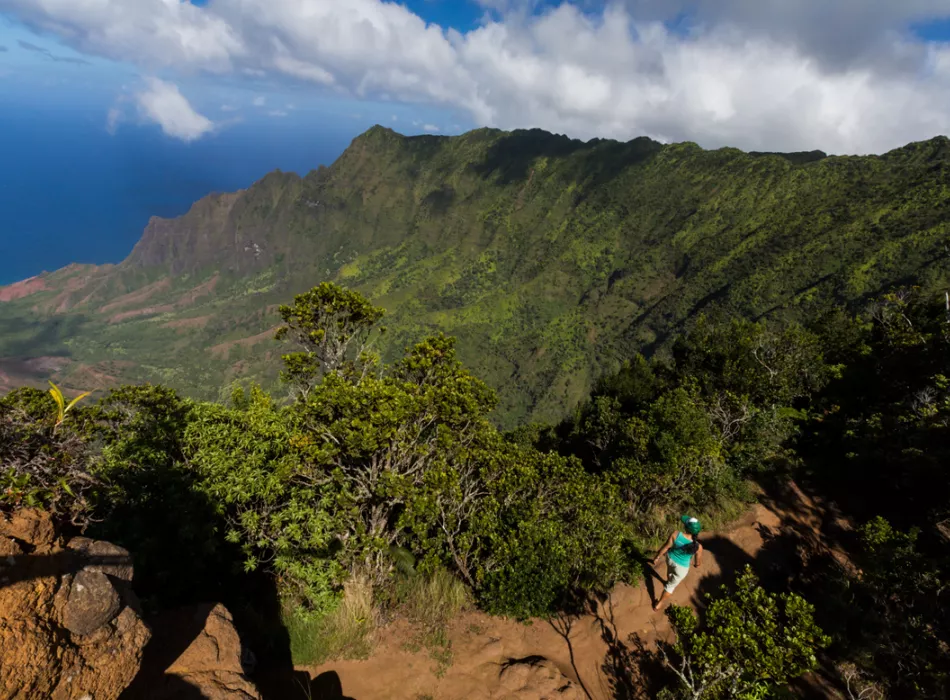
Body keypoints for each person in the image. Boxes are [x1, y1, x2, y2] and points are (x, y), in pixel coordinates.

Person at [651, 515, 703, 612]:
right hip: (681, 568)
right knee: (670, 587)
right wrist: (696, 565)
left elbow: (666, 547)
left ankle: (669, 580)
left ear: (686, 528)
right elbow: (697, 563)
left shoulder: (676, 534)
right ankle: (658, 604)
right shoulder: (698, 547)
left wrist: (657, 557)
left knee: (670, 573)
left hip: (670, 559)